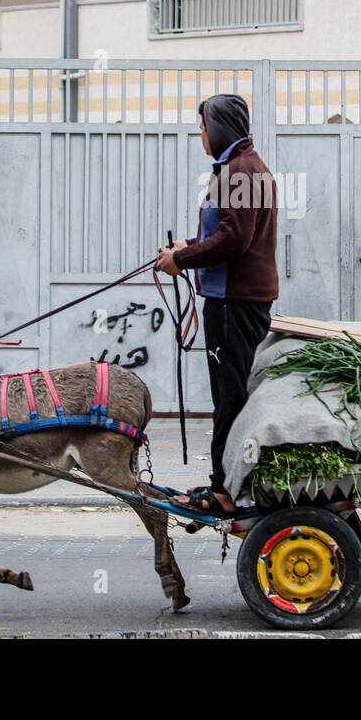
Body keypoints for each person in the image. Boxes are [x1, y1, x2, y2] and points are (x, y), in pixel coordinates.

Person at [155, 94, 278, 515]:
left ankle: (225, 489)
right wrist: (186, 247)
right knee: (232, 394)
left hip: (233, 303)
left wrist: (181, 261)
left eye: (203, 127)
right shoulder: (240, 168)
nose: (201, 135)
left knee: (230, 397)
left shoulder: (241, 172)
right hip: (234, 300)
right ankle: (230, 482)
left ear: (219, 127)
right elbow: (228, 233)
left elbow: (234, 241)